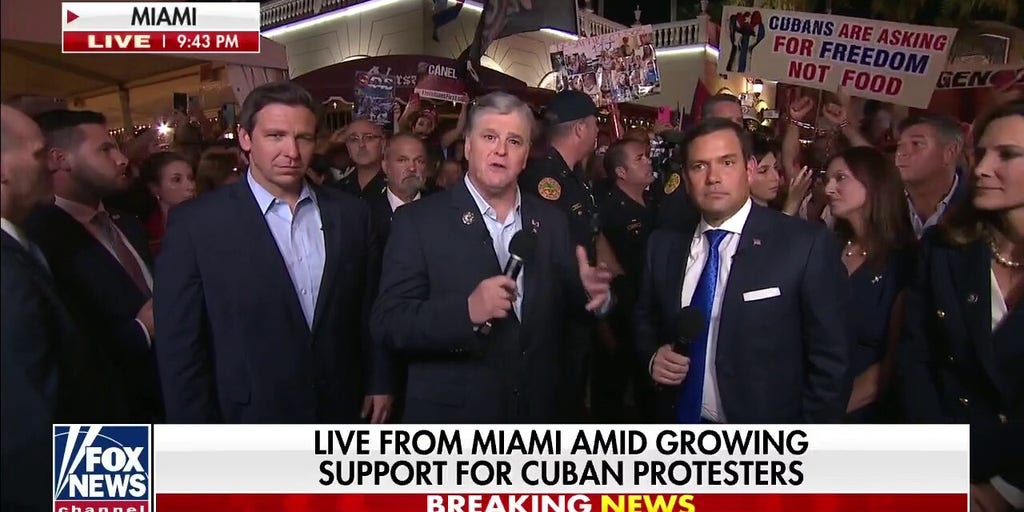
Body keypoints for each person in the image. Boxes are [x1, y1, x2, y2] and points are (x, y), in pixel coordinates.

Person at [154, 81, 392, 423]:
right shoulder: (197, 224)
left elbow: (370, 309)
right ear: (246, 138)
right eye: (275, 136)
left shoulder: (351, 214)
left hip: (342, 408)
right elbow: (180, 347)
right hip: (249, 418)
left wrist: (379, 380)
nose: (292, 152)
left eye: (303, 138)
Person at [371, 92, 613, 423]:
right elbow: (390, 324)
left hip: (537, 414)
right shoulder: (417, 222)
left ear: (526, 155)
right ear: (468, 146)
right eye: (489, 137)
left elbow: (567, 319)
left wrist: (594, 299)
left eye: (514, 141)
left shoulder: (552, 221)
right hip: (456, 421)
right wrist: (466, 312)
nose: (501, 149)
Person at [636, 117, 852, 423]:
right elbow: (644, 321)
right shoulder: (663, 246)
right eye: (699, 166)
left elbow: (831, 362)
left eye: (726, 162)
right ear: (685, 179)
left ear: (749, 169)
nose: (713, 177)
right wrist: (652, 358)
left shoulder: (804, 245)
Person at [898, 100, 1023, 512]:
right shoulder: (945, 247)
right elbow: (916, 359)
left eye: (1007, 155)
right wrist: (942, 468)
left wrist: (1006, 491)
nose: (983, 168)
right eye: (981, 154)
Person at [1, 105, 112, 511]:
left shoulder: (21, 250)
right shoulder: (6, 273)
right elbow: (31, 424)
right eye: (36, 154)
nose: (51, 166)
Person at [26, 109, 162, 422]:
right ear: (61, 159)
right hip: (108, 422)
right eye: (105, 149)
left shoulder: (126, 223)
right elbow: (59, 351)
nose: (122, 158)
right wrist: (141, 331)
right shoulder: (40, 240)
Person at [518, 90, 602, 419]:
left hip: (577, 309)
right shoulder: (545, 179)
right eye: (595, 124)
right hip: (554, 317)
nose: (598, 132)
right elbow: (547, 251)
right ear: (580, 128)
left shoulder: (574, 178)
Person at [823, 146, 916, 422]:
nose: (828, 188)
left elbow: (893, 361)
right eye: (827, 179)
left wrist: (827, 413)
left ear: (874, 183)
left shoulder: (906, 262)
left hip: (860, 416)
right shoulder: (827, 248)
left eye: (840, 178)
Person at [595, 138, 658, 421]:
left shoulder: (654, 202)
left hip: (650, 311)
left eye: (647, 155)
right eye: (640, 158)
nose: (648, 161)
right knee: (612, 390)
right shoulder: (608, 211)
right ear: (621, 172)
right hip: (620, 312)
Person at [895, 114, 967, 238]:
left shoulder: (977, 208)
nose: (901, 153)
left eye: (916, 144)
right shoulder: (885, 202)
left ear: (950, 152)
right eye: (899, 145)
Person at [366, 133, 427, 244]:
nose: (412, 168)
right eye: (402, 160)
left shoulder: (443, 206)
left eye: (419, 161)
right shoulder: (367, 212)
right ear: (385, 167)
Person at [138, 151, 196, 255]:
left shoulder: (206, 218)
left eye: (190, 178)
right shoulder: (145, 233)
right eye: (177, 180)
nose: (191, 186)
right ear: (154, 188)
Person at [335, 119, 387, 199]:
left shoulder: (395, 186)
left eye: (369, 137)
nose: (361, 145)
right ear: (348, 148)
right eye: (354, 139)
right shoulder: (337, 190)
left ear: (383, 144)